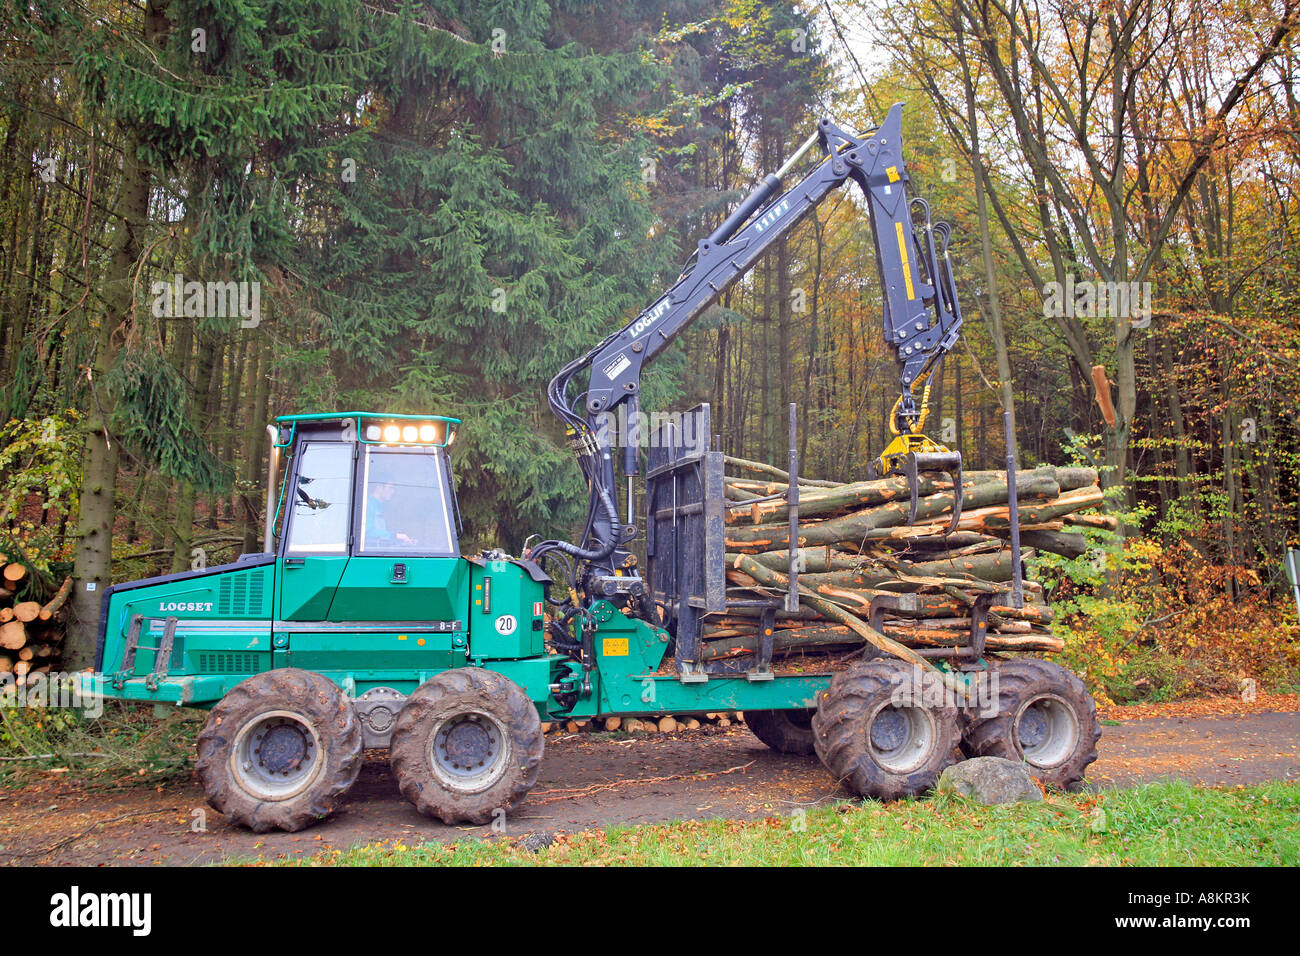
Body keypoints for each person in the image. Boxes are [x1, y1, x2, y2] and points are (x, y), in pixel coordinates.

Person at [365, 479, 417, 548]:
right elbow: (367, 533)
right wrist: (395, 536)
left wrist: (400, 540)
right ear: (379, 487)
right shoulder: (368, 505)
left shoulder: (380, 506)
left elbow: (381, 534)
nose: (393, 492)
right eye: (390, 488)